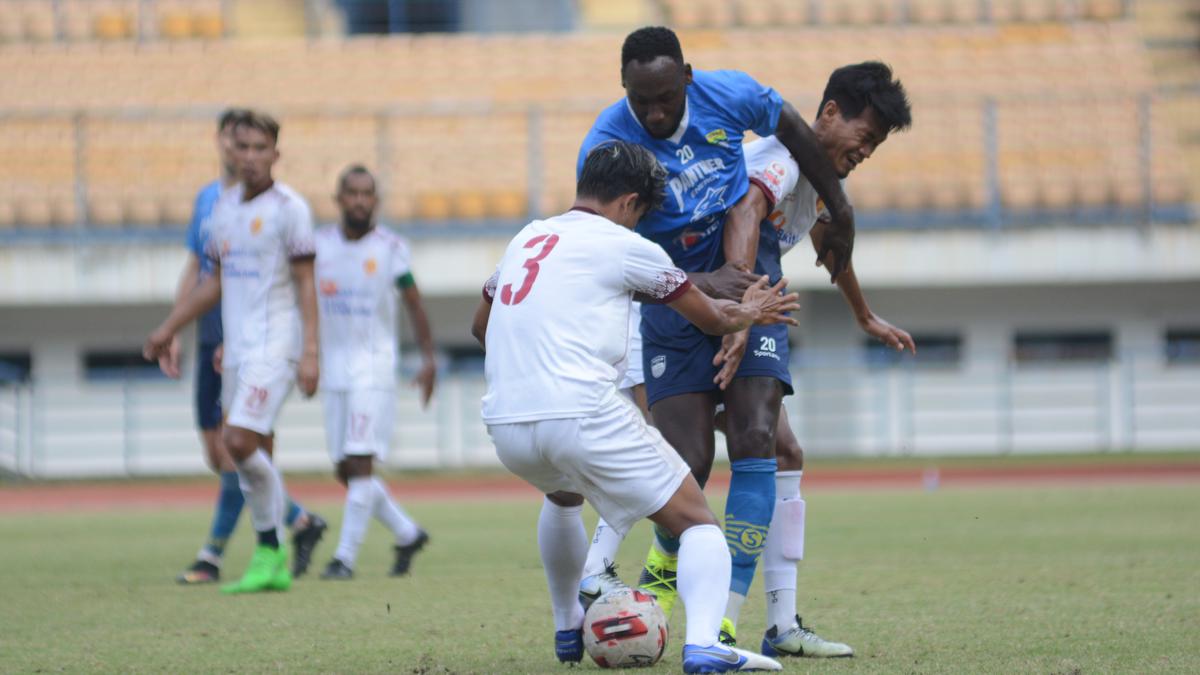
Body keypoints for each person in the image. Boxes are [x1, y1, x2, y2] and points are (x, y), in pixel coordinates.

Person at [472, 141, 798, 672]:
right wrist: (749, 311)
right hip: (580, 412)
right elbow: (710, 318)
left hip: (507, 425)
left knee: (561, 496)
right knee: (696, 522)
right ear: (629, 202)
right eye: (641, 214)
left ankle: (566, 627)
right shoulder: (624, 244)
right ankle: (705, 648)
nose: (639, 223)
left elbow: (480, 326)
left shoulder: (526, 238)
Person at [575, 25, 855, 621]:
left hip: (752, 278)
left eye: (665, 98)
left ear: (688, 77)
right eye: (638, 99)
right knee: (688, 464)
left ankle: (724, 620)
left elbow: (793, 130)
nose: (652, 113)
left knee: (760, 438)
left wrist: (841, 205)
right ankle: (652, 582)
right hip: (671, 298)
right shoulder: (605, 147)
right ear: (622, 86)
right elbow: (607, 258)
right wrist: (703, 289)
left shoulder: (731, 95)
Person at [711, 61, 915, 657]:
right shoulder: (779, 159)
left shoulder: (816, 180)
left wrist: (863, 315)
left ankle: (781, 624)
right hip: (726, 294)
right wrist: (744, 309)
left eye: (876, 144)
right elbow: (744, 213)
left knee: (780, 449)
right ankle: (715, 620)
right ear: (828, 114)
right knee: (709, 452)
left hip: (736, 296)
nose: (867, 151)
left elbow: (832, 245)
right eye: (866, 136)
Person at [145, 111, 321, 594]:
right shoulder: (221, 209)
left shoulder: (291, 209)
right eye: (242, 147)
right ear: (230, 151)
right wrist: (170, 326)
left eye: (260, 148)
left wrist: (310, 351)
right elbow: (214, 282)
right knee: (248, 452)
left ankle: (273, 545)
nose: (250, 157)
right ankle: (277, 553)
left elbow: (307, 284)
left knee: (237, 443)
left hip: (277, 343)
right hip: (237, 348)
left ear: (275, 154)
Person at [314, 165, 435, 580]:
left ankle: (343, 559)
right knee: (345, 470)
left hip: (374, 368)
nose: (360, 201)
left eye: (368, 194)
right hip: (335, 370)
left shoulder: (391, 248)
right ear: (339, 199)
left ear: (376, 201)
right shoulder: (319, 248)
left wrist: (428, 358)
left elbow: (414, 305)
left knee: (361, 464)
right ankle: (407, 533)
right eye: (353, 193)